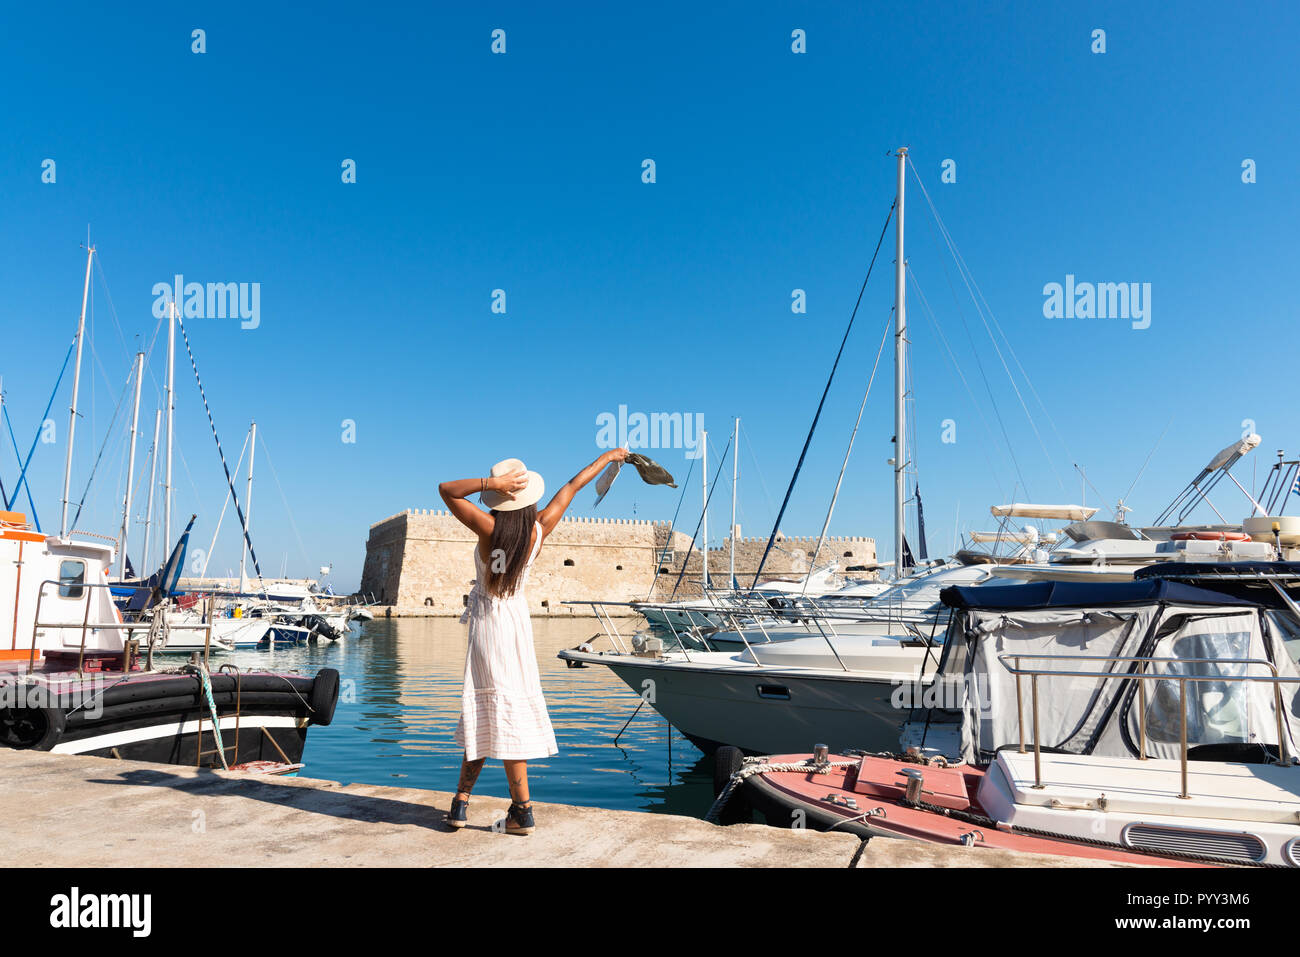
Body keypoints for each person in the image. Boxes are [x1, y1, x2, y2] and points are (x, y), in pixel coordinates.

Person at [438, 447, 628, 834]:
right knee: (507, 712)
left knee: (487, 709)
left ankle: (466, 803)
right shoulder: (539, 530)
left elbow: (447, 490)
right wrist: (608, 458)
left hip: (487, 625)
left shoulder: (488, 529)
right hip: (516, 624)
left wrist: (493, 484)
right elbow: (572, 487)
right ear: (527, 500)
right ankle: (518, 809)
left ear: (500, 500)